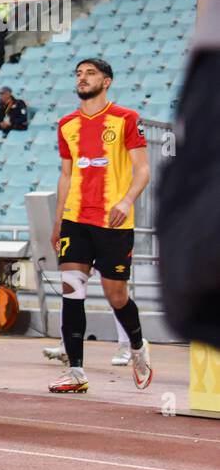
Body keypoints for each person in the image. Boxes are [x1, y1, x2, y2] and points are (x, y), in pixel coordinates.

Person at [49, 58, 152, 394]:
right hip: (76, 220)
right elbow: (66, 175)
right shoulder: (66, 125)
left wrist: (126, 201)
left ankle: (138, 346)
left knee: (116, 294)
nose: (82, 78)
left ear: (106, 81)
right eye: (78, 73)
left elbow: (143, 170)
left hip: (113, 221)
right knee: (71, 292)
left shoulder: (126, 119)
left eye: (90, 73)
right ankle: (76, 371)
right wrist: (58, 220)